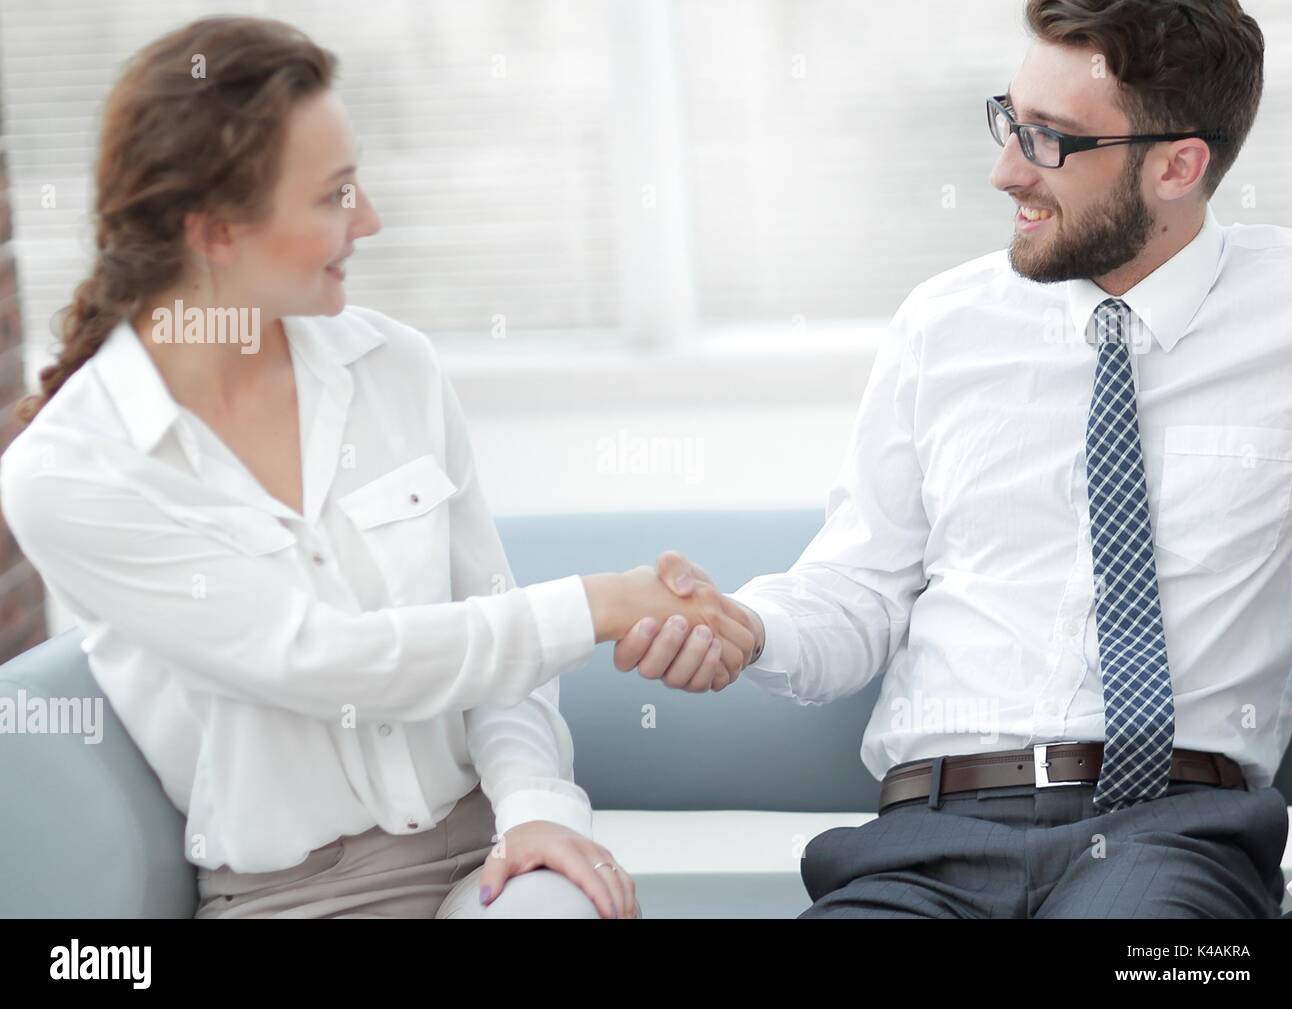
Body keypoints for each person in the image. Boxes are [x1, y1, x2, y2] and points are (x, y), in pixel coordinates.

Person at [0, 15, 755, 919]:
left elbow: (495, 655)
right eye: (334, 195)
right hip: (290, 897)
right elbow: (318, 658)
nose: (371, 219)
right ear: (213, 231)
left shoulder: (394, 366)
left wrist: (534, 810)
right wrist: (597, 602)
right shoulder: (75, 470)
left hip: (487, 858)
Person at [620, 0, 1292, 918]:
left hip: (1176, 837)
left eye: (1051, 141)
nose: (1005, 170)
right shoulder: (945, 324)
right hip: (927, 835)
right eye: (1010, 120)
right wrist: (747, 624)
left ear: (1179, 165)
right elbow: (857, 589)